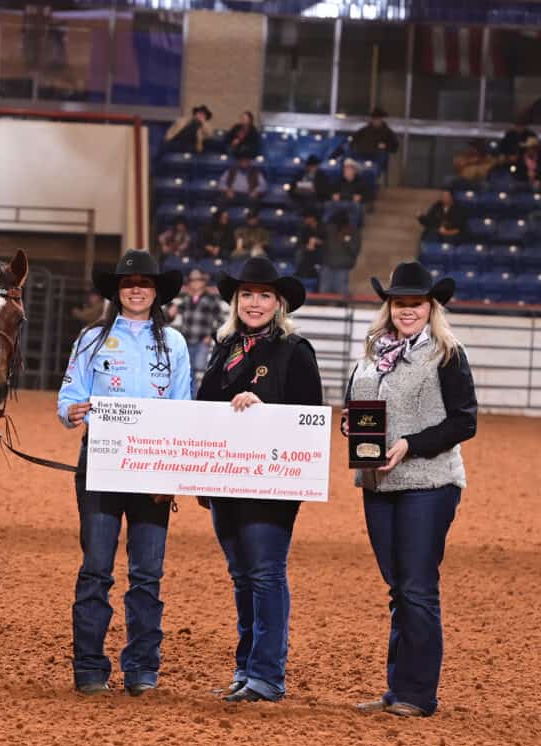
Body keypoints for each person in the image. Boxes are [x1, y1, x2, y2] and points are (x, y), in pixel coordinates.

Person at [344, 262, 476, 718]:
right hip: (378, 483)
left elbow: (464, 421)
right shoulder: (371, 353)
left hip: (429, 483)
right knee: (399, 587)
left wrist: (409, 444)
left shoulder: (447, 354)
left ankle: (418, 695)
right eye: (400, 303)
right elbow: (359, 407)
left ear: (430, 308)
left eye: (415, 303)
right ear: (389, 307)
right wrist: (351, 424)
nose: (407, 311)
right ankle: (397, 689)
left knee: (417, 587)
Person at [57, 249, 191, 696]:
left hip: (152, 469)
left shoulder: (173, 344)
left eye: (145, 283)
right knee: (96, 567)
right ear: (117, 290)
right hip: (100, 461)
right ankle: (90, 666)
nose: (137, 289)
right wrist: (71, 411)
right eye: (129, 282)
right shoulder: (91, 339)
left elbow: (181, 407)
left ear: (156, 292)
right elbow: (69, 395)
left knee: (147, 572)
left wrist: (169, 473)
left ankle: (141, 668)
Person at [196, 257, 323, 703]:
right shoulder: (224, 347)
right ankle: (247, 668)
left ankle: (267, 674)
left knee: (265, 575)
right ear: (236, 300)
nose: (255, 303)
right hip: (225, 483)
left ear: (279, 303)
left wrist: (266, 409)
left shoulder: (295, 350)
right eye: (247, 294)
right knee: (243, 577)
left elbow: (310, 419)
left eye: (264, 295)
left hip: (270, 486)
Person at [170, 268, 224, 386]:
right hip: (187, 339)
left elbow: (221, 319)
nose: (195, 283)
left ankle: (200, 395)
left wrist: (211, 335)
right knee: (187, 369)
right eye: (192, 280)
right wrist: (172, 310)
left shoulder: (211, 299)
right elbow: (173, 313)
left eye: (198, 280)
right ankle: (191, 397)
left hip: (202, 340)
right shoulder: (186, 299)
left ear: (203, 282)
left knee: (200, 368)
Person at [320, 209, 361, 296]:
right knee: (324, 290)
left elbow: (355, 250)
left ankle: (341, 306)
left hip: (342, 266)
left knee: (341, 292)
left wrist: (347, 240)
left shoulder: (353, 231)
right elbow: (322, 243)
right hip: (328, 265)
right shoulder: (329, 229)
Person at [295, 209, 326, 279]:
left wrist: (319, 242)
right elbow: (299, 243)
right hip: (308, 251)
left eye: (306, 218)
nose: (304, 220)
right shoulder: (303, 228)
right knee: (301, 255)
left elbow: (329, 242)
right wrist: (306, 246)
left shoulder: (323, 227)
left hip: (321, 251)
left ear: (312, 218)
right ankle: (302, 275)